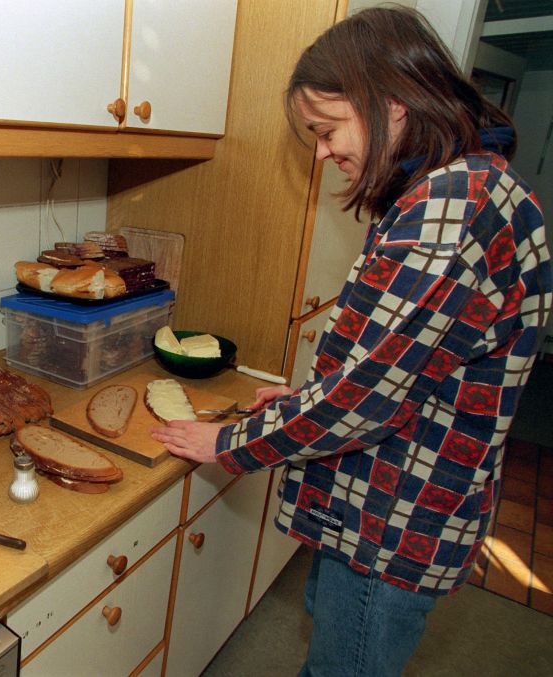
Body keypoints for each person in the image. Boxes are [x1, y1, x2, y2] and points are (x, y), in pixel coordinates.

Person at [151, 6, 551, 676]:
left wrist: (229, 443)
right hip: (409, 493)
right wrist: (308, 396)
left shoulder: (446, 212)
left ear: (391, 104)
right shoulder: (484, 183)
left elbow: (368, 399)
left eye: (328, 128)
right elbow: (415, 363)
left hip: (392, 518)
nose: (323, 151)